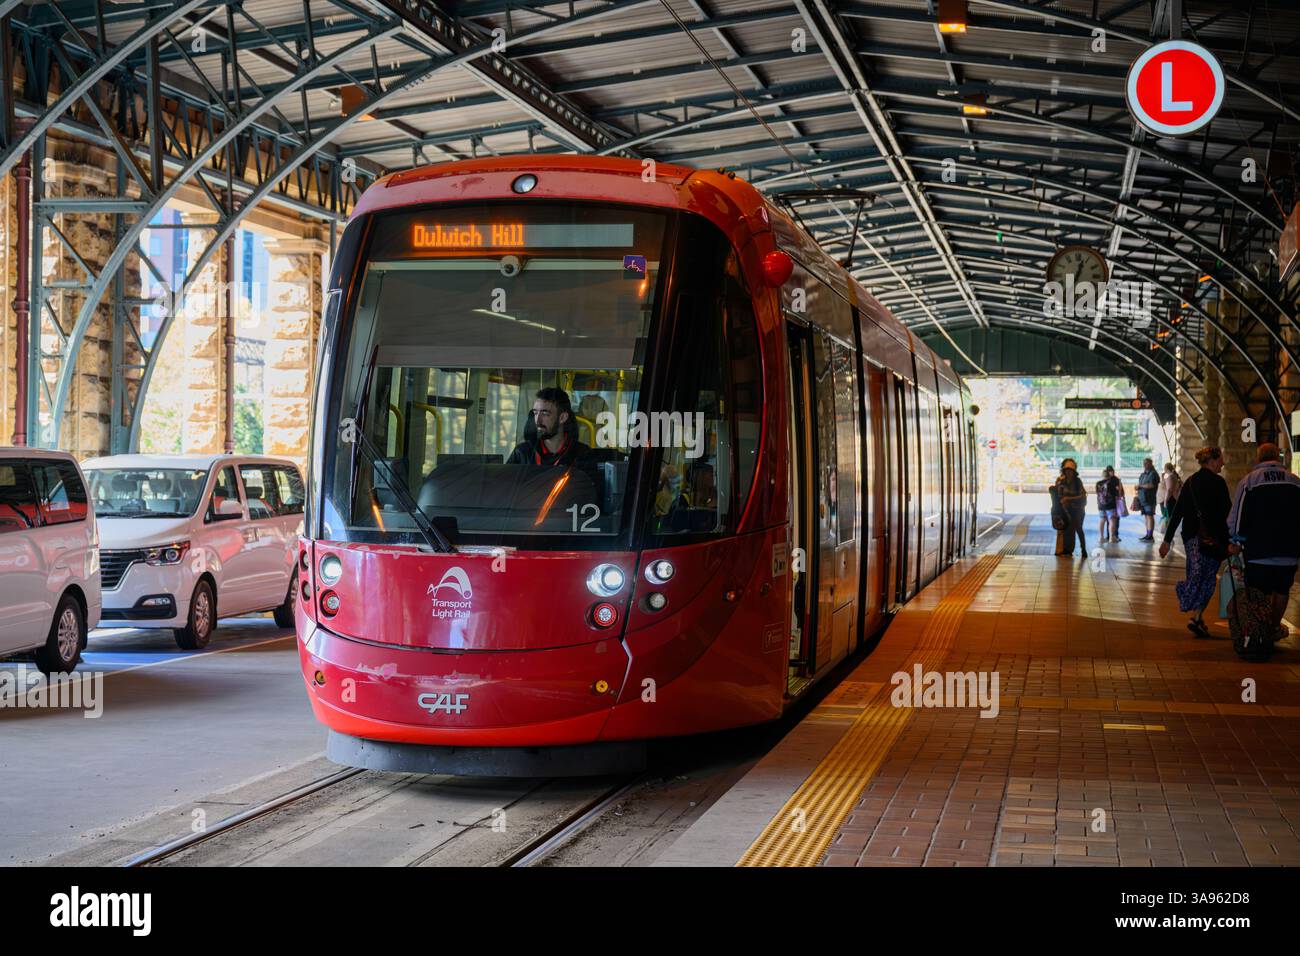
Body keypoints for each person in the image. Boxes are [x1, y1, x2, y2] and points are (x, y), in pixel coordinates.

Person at [1226, 443, 1300, 640]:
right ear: (1279, 457)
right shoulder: (1295, 482)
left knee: (1259, 594)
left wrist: (1235, 540)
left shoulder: (1249, 481)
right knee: (1282, 591)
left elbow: (1237, 517)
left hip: (1257, 550)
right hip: (1289, 551)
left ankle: (1260, 631)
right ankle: (1273, 628)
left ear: (1258, 458)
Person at [1159, 446, 1231, 638]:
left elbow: (1178, 513)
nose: (1223, 463)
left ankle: (1197, 617)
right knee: (1206, 579)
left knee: (1198, 575)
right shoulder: (1219, 483)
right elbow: (1228, 514)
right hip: (1215, 540)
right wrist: (1230, 540)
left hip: (1193, 538)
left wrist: (1167, 540)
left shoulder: (1190, 482)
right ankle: (1187, 597)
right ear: (1213, 460)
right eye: (1221, 459)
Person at [506, 387, 590, 466]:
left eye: (545, 414)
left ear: (562, 418)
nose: (537, 421)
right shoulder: (522, 453)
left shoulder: (582, 455)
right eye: (535, 413)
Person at [1054, 458, 1087, 557]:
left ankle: (1083, 549)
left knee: (1078, 529)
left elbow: (1082, 495)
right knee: (1066, 530)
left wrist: (1068, 498)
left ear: (1074, 471)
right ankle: (1067, 550)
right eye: (1066, 470)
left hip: (1077, 510)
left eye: (1070, 470)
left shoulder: (1077, 482)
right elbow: (1057, 495)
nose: (1069, 472)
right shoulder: (1060, 481)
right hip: (1065, 510)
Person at [1095, 465, 1124, 543]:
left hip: (1101, 505)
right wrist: (1119, 486)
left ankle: (1101, 537)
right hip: (1110, 505)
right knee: (1112, 521)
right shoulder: (1111, 483)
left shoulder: (1098, 483)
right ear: (1109, 476)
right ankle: (1111, 538)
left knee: (1102, 520)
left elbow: (1097, 493)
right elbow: (1118, 494)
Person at [1137, 457, 1160, 542]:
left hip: (1150, 499)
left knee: (1150, 516)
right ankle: (1147, 534)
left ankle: (1150, 536)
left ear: (1151, 463)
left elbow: (1151, 485)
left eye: (1146, 463)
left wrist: (1140, 486)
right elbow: (1141, 484)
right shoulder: (1143, 474)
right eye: (1144, 463)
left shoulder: (1153, 474)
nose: (1144, 465)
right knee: (1146, 517)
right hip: (1143, 499)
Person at [1158, 462, 1181, 534]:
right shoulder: (1175, 476)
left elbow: (1169, 489)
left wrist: (1165, 500)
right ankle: (1169, 535)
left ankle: (1168, 536)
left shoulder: (1169, 475)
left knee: (1168, 518)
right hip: (1173, 499)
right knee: (1170, 517)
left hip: (1170, 499)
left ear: (1165, 468)